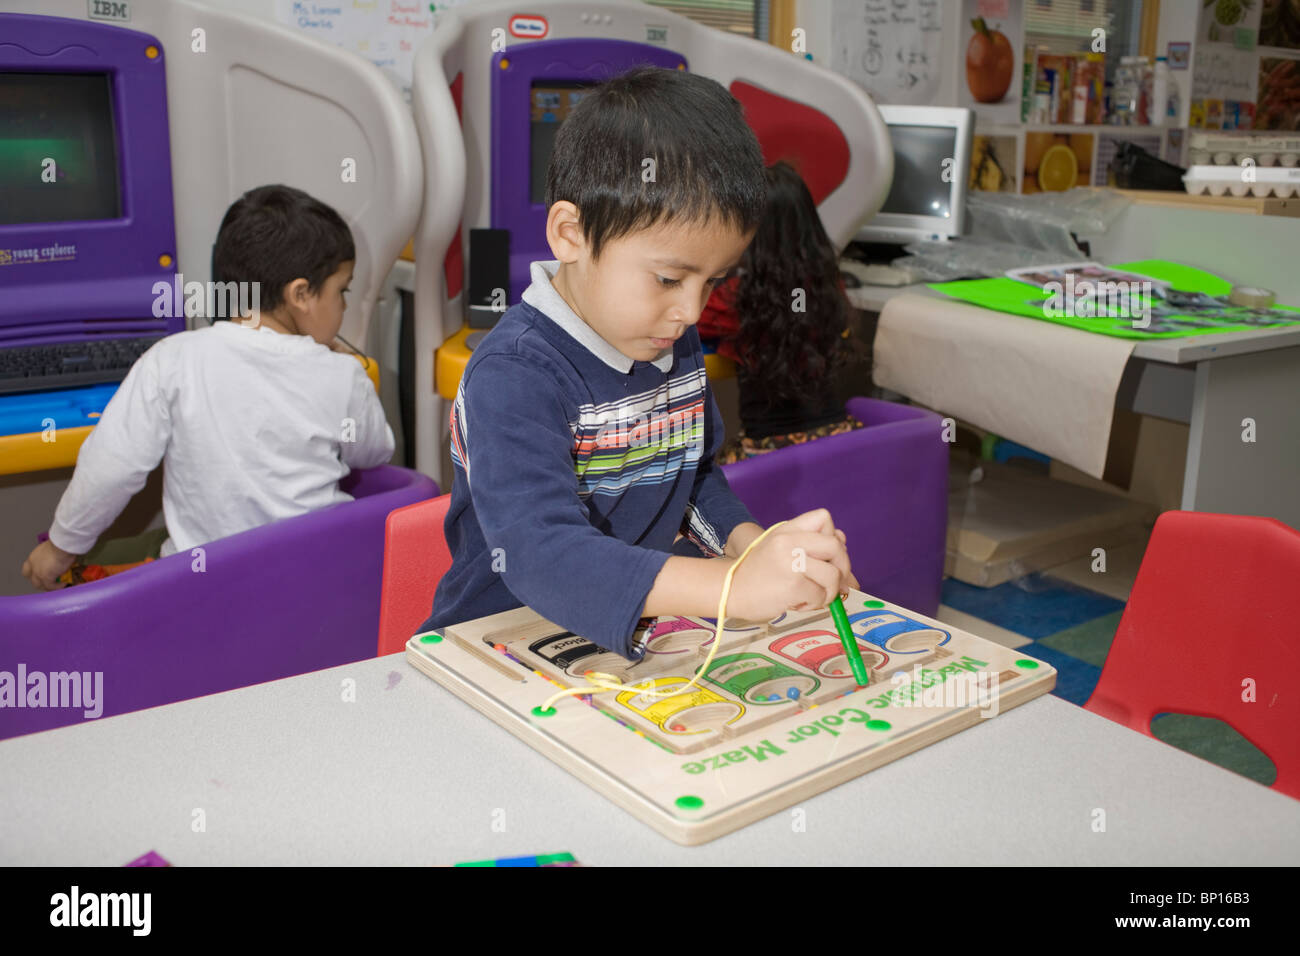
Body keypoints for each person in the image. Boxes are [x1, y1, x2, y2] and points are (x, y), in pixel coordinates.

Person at [417, 67, 856, 659]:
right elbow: (544, 554)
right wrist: (731, 586)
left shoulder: (669, 336)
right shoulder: (513, 374)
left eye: (715, 280)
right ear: (571, 234)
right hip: (496, 644)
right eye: (670, 278)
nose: (691, 310)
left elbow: (692, 477)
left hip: (615, 643)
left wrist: (749, 546)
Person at [21, 184, 395, 590]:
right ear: (301, 294)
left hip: (201, 588)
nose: (344, 306)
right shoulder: (342, 375)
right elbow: (375, 451)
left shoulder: (172, 358)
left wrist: (61, 548)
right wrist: (346, 368)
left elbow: (111, 466)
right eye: (342, 291)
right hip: (312, 580)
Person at [696, 161, 865, 465]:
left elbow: (689, 316)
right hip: (837, 440)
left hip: (768, 454)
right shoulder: (830, 287)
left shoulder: (737, 298)